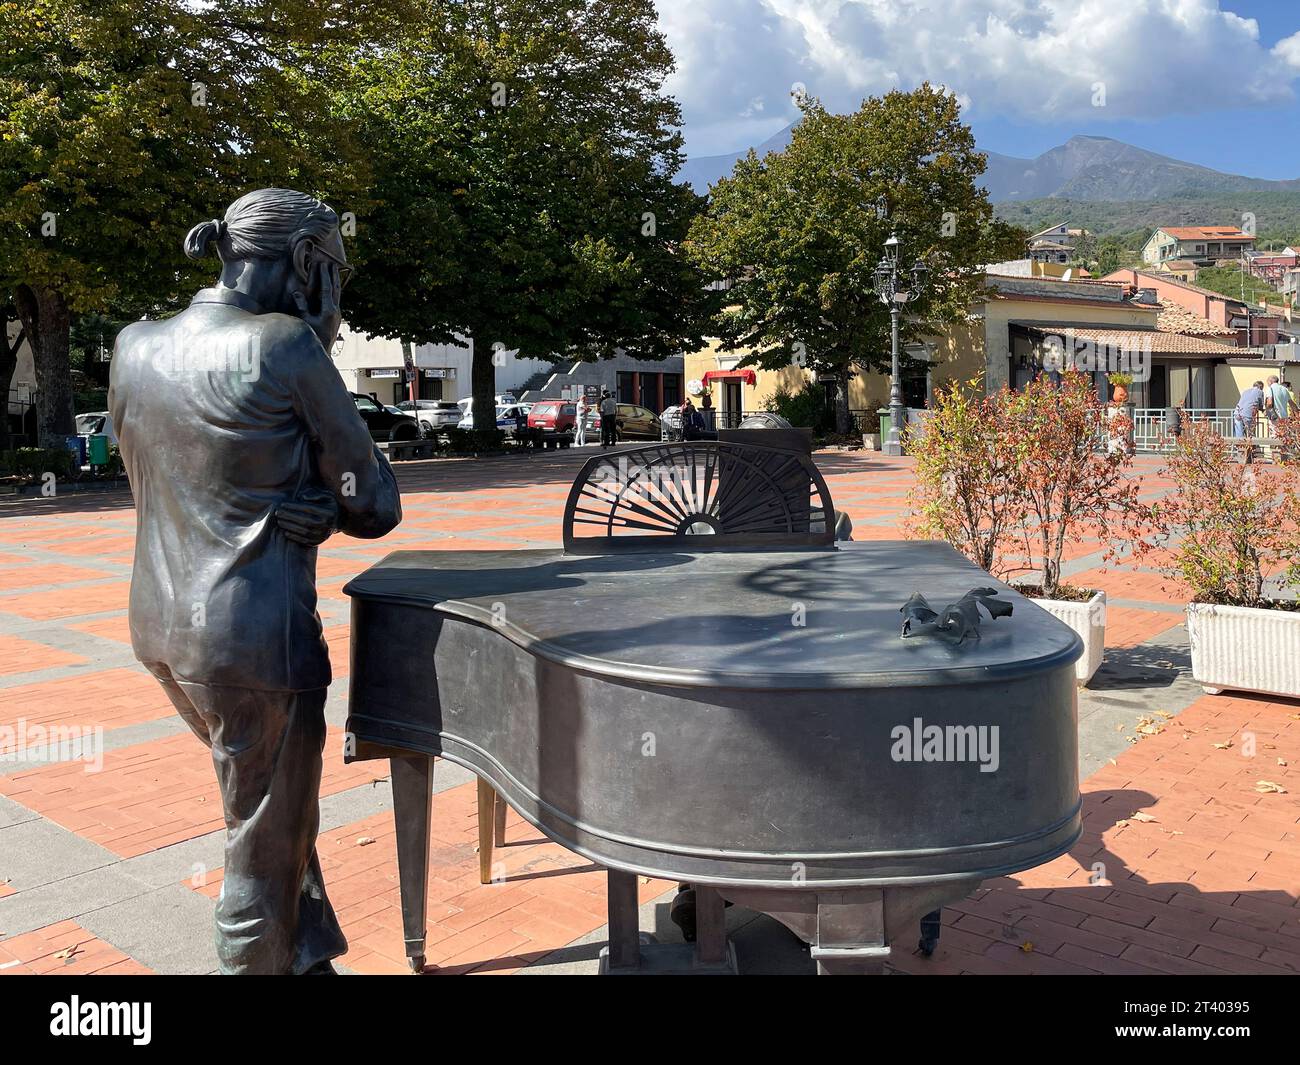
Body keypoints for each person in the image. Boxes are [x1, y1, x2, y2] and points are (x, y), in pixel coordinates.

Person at [108, 189, 402, 974]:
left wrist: (296, 489)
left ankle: (305, 956)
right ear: (308, 262)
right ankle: (255, 961)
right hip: (255, 636)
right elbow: (373, 503)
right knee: (260, 841)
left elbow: (168, 466)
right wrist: (326, 498)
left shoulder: (133, 342)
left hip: (162, 628)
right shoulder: (283, 345)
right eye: (335, 271)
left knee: (267, 810)